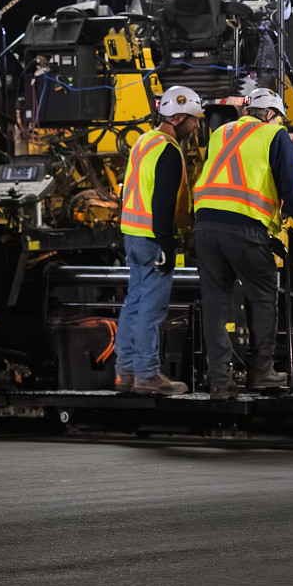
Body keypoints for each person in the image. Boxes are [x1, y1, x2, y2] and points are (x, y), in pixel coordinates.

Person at [191, 87, 293, 397]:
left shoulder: (221, 132)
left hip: (205, 226)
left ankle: (220, 380)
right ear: (271, 114)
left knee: (215, 305)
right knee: (262, 296)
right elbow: (291, 185)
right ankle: (261, 371)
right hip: (245, 227)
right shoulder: (274, 136)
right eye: (281, 120)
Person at [114, 86, 204, 396]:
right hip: (152, 239)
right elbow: (162, 201)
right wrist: (167, 242)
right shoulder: (168, 150)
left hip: (133, 235)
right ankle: (147, 375)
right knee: (151, 310)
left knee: (133, 306)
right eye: (193, 120)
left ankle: (125, 374)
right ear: (178, 117)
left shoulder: (144, 141)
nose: (195, 127)